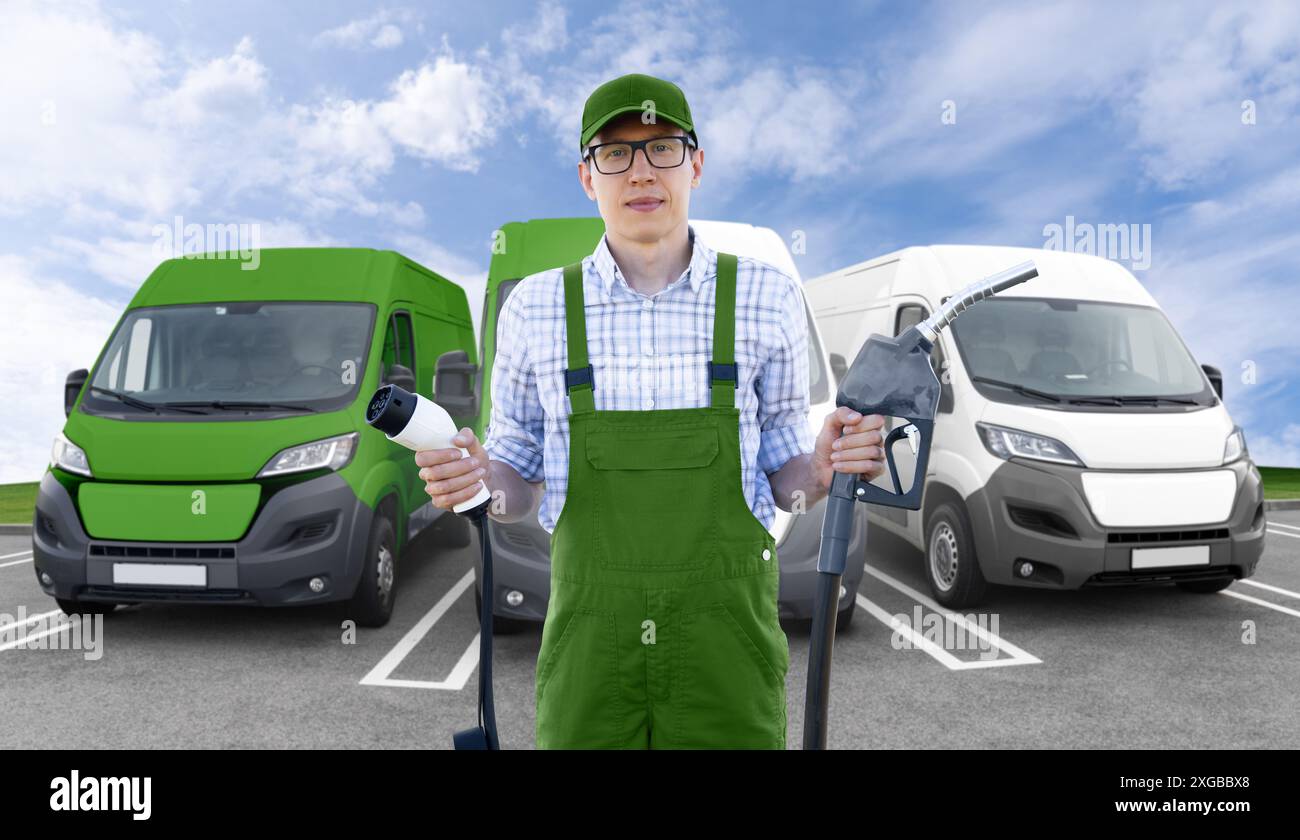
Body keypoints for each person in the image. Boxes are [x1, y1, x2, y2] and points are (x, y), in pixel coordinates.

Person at [415, 73, 886, 749]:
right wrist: (480, 483)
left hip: (728, 645)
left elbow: (786, 472)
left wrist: (822, 464)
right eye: (616, 153)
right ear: (587, 177)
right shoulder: (536, 309)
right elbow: (516, 484)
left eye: (661, 147)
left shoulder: (765, 296)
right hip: (589, 649)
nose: (640, 172)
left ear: (695, 164)